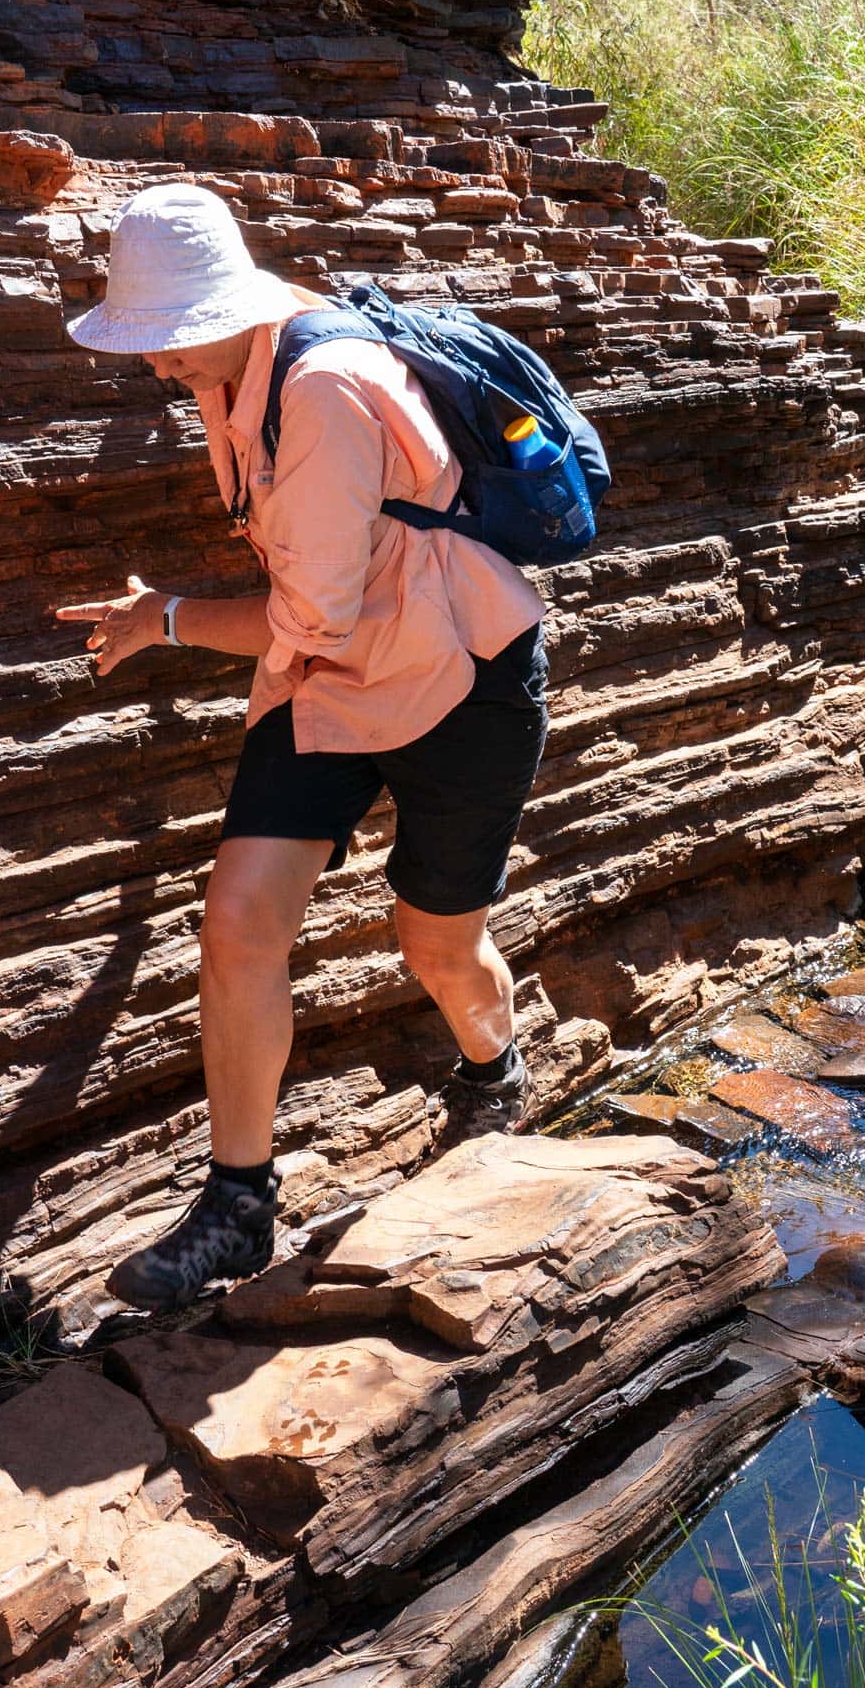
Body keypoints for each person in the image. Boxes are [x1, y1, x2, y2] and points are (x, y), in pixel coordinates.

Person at [54, 182, 548, 1310]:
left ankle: (494, 1069)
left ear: (234, 303)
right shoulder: (240, 369)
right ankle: (238, 1208)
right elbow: (313, 614)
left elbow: (302, 616)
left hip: (455, 681)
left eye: (173, 341)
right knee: (239, 922)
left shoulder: (320, 385)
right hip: (330, 682)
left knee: (434, 948)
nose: (160, 365)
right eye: (152, 343)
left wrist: (167, 619)